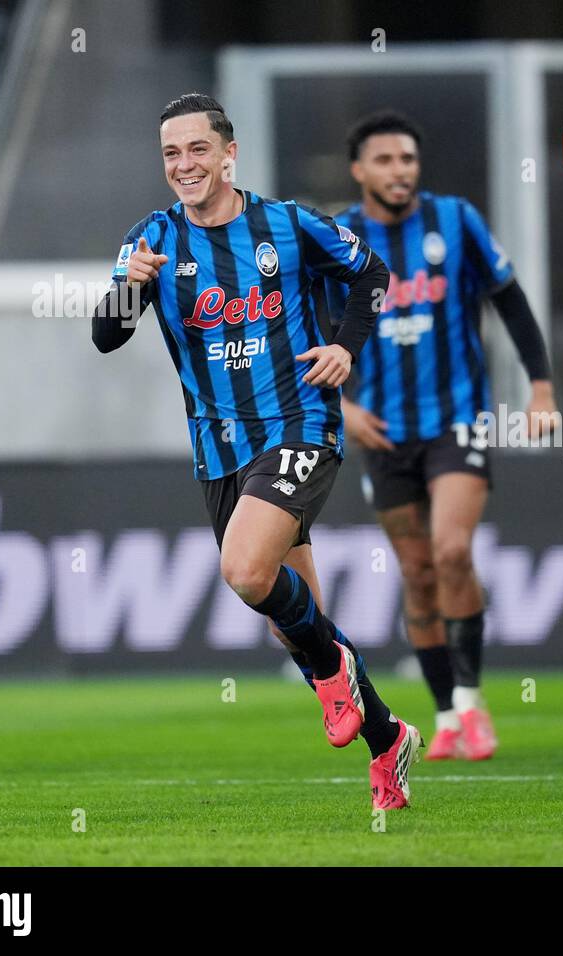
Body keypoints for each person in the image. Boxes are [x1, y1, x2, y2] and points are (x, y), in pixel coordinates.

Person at [90, 93, 423, 811]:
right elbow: (105, 337)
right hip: (219, 450)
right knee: (295, 629)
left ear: (229, 152)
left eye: (198, 150)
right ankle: (387, 738)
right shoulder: (150, 239)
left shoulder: (289, 225)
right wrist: (127, 291)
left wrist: (344, 346)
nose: (185, 165)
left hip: (299, 423)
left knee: (244, 570)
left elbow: (369, 274)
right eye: (172, 154)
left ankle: (336, 672)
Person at [331, 110, 557, 760]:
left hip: (457, 418)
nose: (399, 171)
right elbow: (303, 328)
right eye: (385, 160)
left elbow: (510, 300)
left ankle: (471, 701)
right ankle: (443, 713)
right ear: (359, 171)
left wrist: (540, 387)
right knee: (417, 570)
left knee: (453, 550)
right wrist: (337, 404)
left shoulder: (455, 221)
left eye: (407, 159)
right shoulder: (341, 236)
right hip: (380, 429)